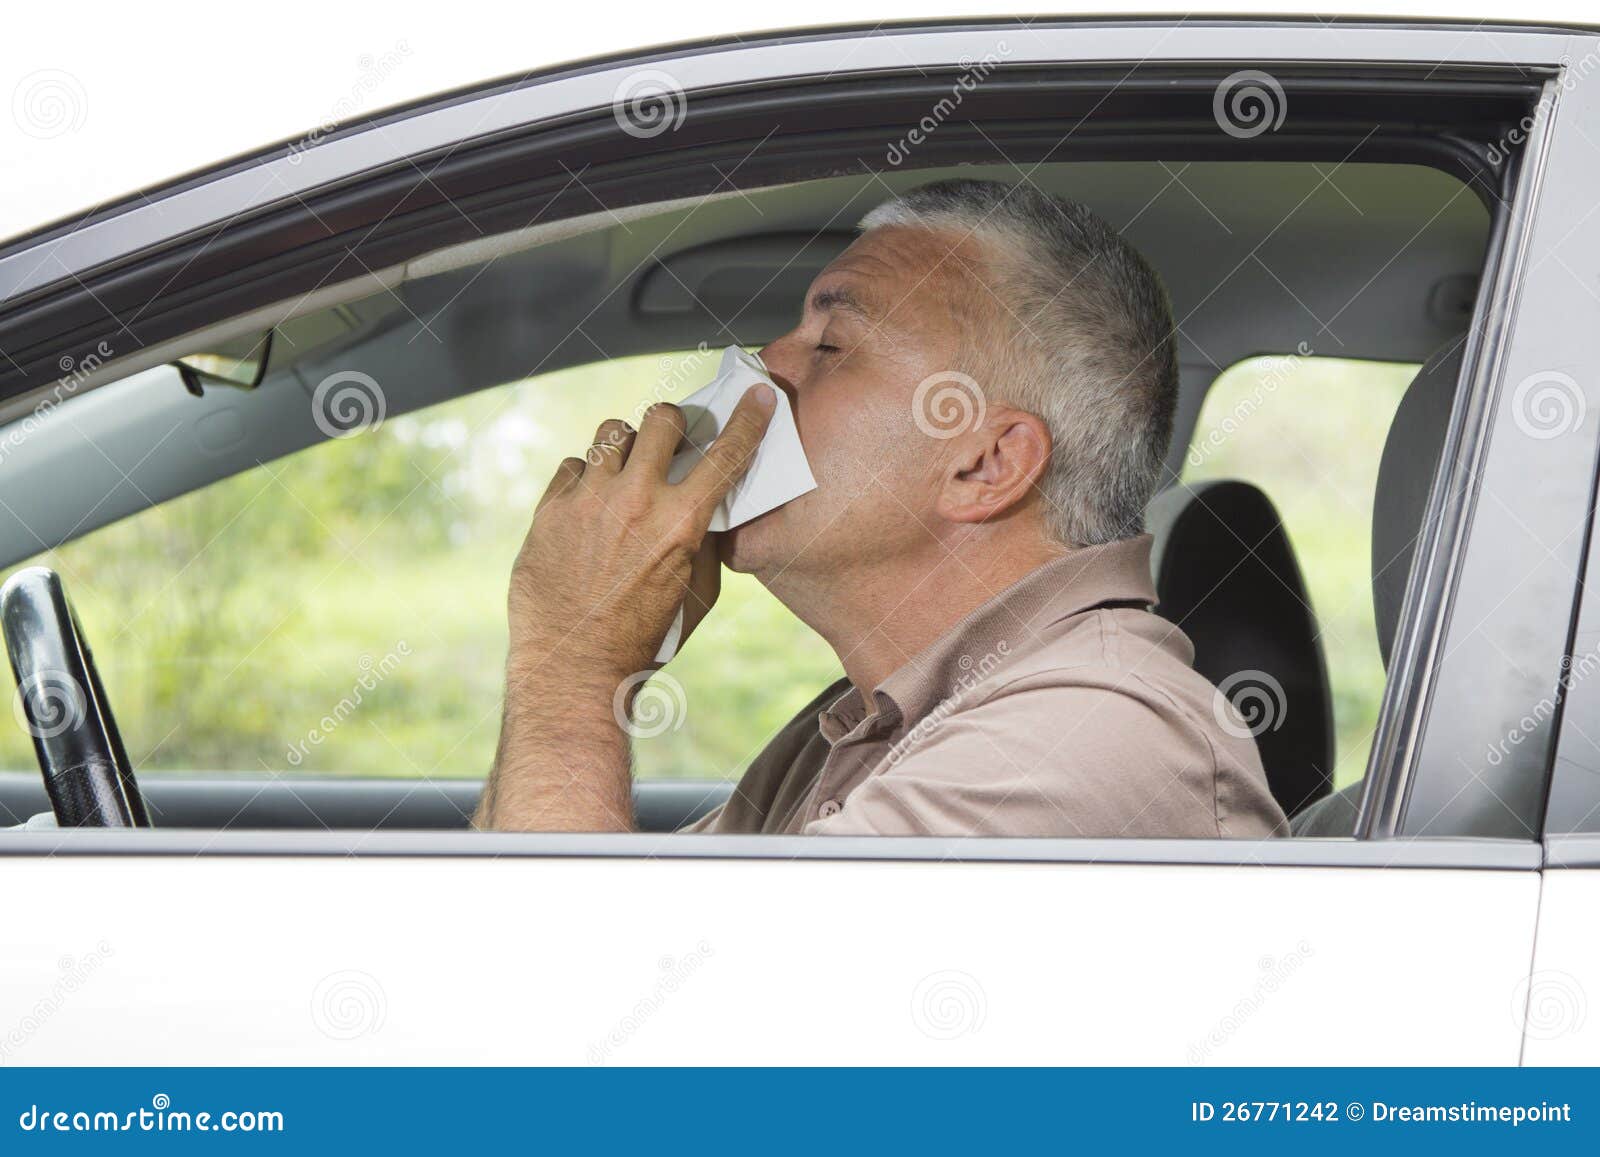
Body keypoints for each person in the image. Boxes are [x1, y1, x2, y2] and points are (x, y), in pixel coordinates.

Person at [473, 178, 1287, 839]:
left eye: (831, 347)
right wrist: (578, 662)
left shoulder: (1086, 733)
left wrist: (577, 662)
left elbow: (579, 1007)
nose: (763, 365)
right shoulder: (871, 724)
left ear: (986, 463)